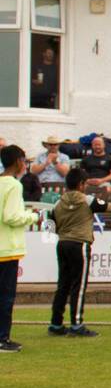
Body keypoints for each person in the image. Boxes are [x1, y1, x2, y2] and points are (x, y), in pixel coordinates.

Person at [49, 167, 107, 337]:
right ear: (81, 184)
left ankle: (56, 323)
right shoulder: (87, 200)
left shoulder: (58, 202)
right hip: (80, 244)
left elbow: (49, 225)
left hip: (62, 244)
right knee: (79, 286)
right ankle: (76, 324)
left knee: (63, 285)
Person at [0, 145, 39, 353]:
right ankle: (2, 338)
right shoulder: (13, 185)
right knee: (6, 297)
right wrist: (32, 216)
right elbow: (11, 217)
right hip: (7, 250)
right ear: (17, 161)